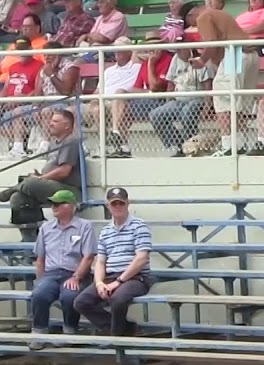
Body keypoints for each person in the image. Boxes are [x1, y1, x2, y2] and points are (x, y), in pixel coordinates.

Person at [73, 186, 152, 337]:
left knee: (117, 299)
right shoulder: (105, 231)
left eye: (121, 203)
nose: (117, 207)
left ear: (128, 203)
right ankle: (125, 329)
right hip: (110, 276)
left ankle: (116, 336)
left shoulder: (139, 226)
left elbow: (141, 259)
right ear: (108, 205)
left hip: (136, 278)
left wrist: (118, 281)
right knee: (81, 302)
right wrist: (99, 283)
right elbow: (100, 262)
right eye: (114, 203)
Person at [1, 107, 82, 242]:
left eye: (55, 121)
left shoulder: (70, 141)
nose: (50, 123)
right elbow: (52, 170)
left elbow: (64, 171)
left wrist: (40, 178)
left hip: (68, 189)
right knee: (17, 197)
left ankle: (4, 195)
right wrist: (39, 175)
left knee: (30, 183)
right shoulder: (53, 144)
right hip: (51, 186)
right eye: (51, 120)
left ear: (67, 125)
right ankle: (31, 240)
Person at [30, 189, 96, 347]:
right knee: (39, 293)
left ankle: (70, 329)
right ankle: (39, 332)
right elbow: (40, 258)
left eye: (58, 203)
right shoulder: (45, 228)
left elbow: (88, 257)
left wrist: (77, 276)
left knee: (69, 296)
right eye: (53, 203)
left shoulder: (84, 226)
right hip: (51, 273)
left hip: (74, 272)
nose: (54, 206)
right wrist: (40, 280)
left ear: (71, 206)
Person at [196, 4, 259, 156]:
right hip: (251, 53)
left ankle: (228, 145)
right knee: (240, 102)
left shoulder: (203, 16)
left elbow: (211, 42)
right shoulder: (223, 15)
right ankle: (240, 142)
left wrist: (201, 60)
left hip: (234, 53)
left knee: (223, 96)